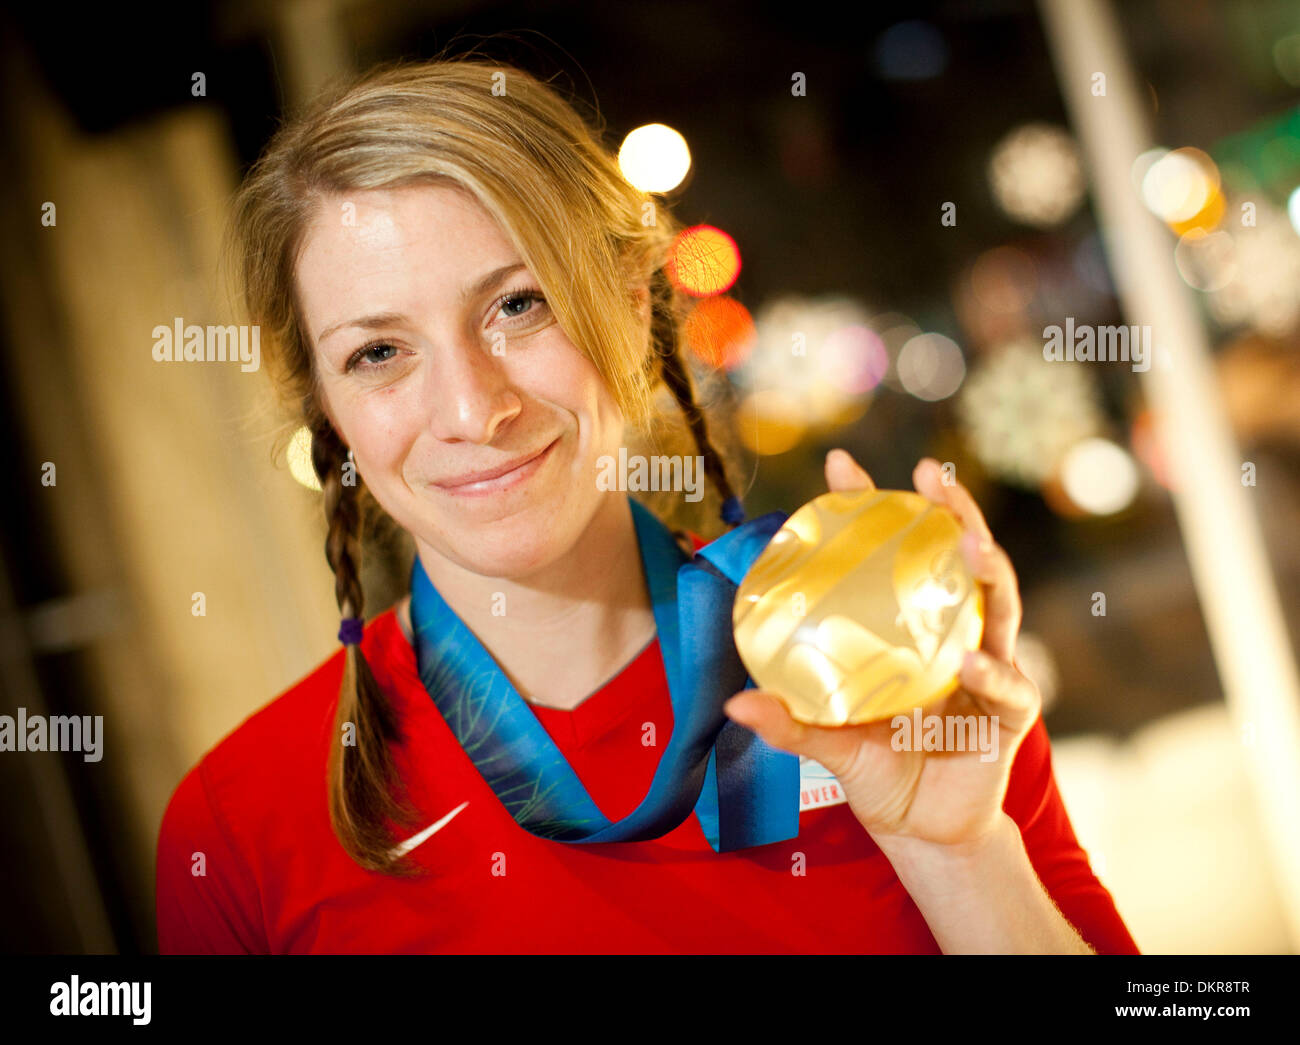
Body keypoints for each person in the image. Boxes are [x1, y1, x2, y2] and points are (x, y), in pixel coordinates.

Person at [155, 55, 1139, 954]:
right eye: (377, 352)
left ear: (630, 305)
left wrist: (960, 855)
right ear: (328, 410)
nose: (471, 409)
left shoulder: (880, 655)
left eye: (517, 304)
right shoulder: (240, 826)